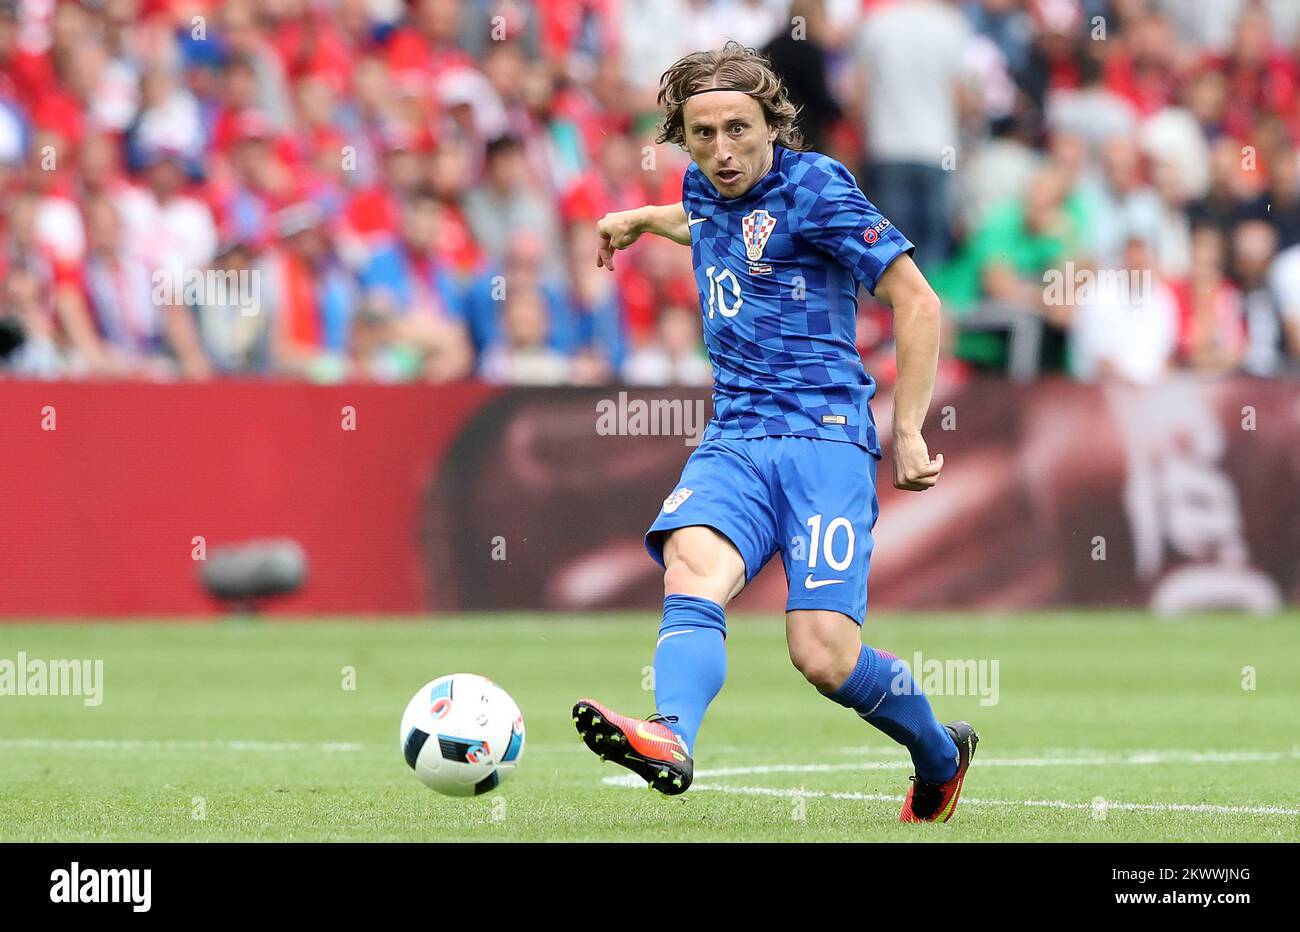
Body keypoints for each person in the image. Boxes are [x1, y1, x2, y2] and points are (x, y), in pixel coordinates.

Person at [572, 42, 977, 824]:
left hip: (825, 439)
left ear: (772, 125)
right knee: (691, 565)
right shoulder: (702, 187)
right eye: (702, 134)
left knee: (821, 655)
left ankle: (938, 751)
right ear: (681, 138)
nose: (721, 151)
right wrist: (639, 221)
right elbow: (711, 222)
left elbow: (918, 302)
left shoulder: (819, 188)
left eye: (737, 130)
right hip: (735, 437)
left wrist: (911, 432)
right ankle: (671, 735)